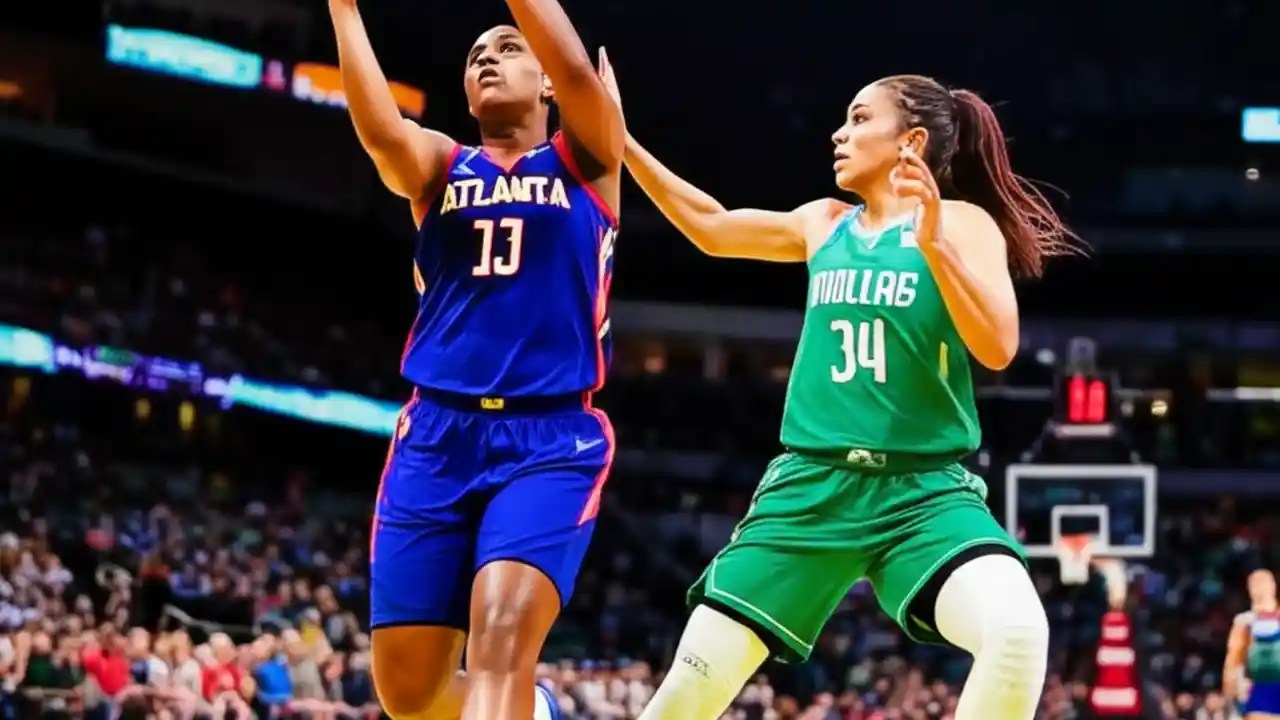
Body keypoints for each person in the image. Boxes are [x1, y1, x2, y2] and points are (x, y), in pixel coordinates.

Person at [597, 52, 1077, 720]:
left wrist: (936, 247)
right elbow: (708, 226)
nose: (838, 134)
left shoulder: (964, 225)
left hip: (924, 495)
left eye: (858, 119)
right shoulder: (823, 222)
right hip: (810, 488)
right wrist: (618, 140)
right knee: (686, 693)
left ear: (910, 142)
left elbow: (997, 346)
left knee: (1018, 633)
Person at [327, 0, 623, 717]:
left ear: (547, 81)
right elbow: (378, 132)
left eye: (507, 46)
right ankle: (543, 713)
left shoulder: (585, 155)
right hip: (435, 434)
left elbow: (579, 67)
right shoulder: (440, 165)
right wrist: (343, 9)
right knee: (408, 693)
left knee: (497, 645)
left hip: (549, 440)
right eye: (474, 56)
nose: (486, 56)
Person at [1227, 569, 1280, 720]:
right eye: (1255, 585)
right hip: (1257, 691)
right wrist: (1235, 689)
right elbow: (1234, 662)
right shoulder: (1244, 621)